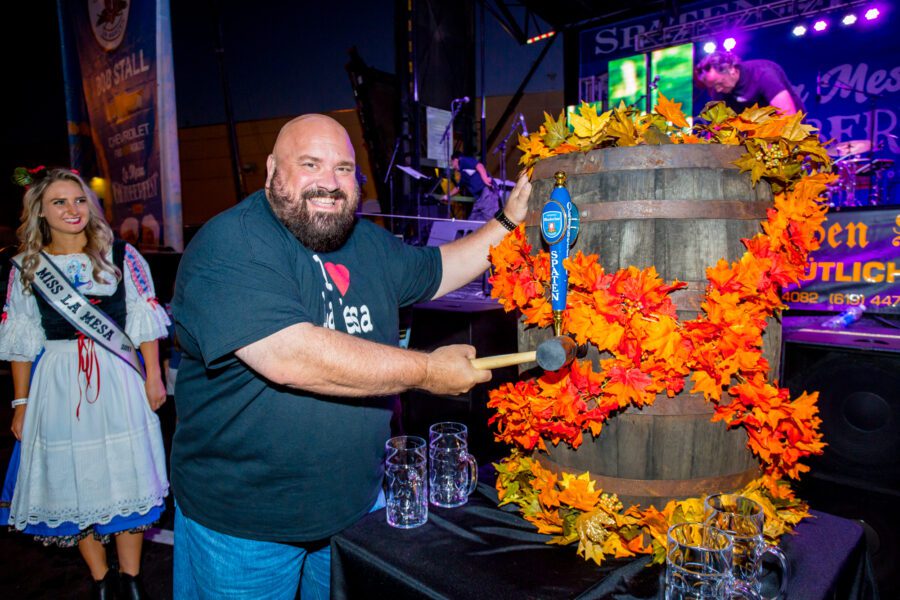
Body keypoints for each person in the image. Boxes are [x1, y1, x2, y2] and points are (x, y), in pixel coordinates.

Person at [170, 114, 531, 599]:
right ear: (273, 169)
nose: (330, 183)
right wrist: (427, 370)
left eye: (343, 168)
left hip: (355, 511)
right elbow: (290, 356)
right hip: (246, 526)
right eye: (310, 164)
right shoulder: (231, 243)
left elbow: (442, 268)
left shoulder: (366, 242)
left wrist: (507, 221)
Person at [0, 168, 171, 599]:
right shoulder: (27, 267)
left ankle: (131, 580)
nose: (72, 210)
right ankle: (100, 580)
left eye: (78, 200)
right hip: (57, 382)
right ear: (39, 210)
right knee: (74, 481)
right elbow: (22, 340)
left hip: (117, 377)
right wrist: (20, 402)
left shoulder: (122, 255)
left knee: (125, 476)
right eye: (59, 202)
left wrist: (153, 377)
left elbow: (142, 322)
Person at [695, 51, 804, 115]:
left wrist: (770, 151)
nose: (717, 89)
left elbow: (788, 115)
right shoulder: (718, 91)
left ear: (731, 69)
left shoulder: (763, 74)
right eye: (713, 86)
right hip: (756, 135)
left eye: (719, 83)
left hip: (790, 131)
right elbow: (720, 126)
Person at [450, 150, 502, 221]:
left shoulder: (463, 161)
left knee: (491, 220)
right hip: (479, 199)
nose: (452, 165)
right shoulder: (464, 174)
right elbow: (458, 187)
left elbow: (479, 165)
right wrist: (448, 195)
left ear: (456, 160)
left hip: (486, 192)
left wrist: (485, 178)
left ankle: (507, 230)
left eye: (452, 162)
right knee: (473, 222)